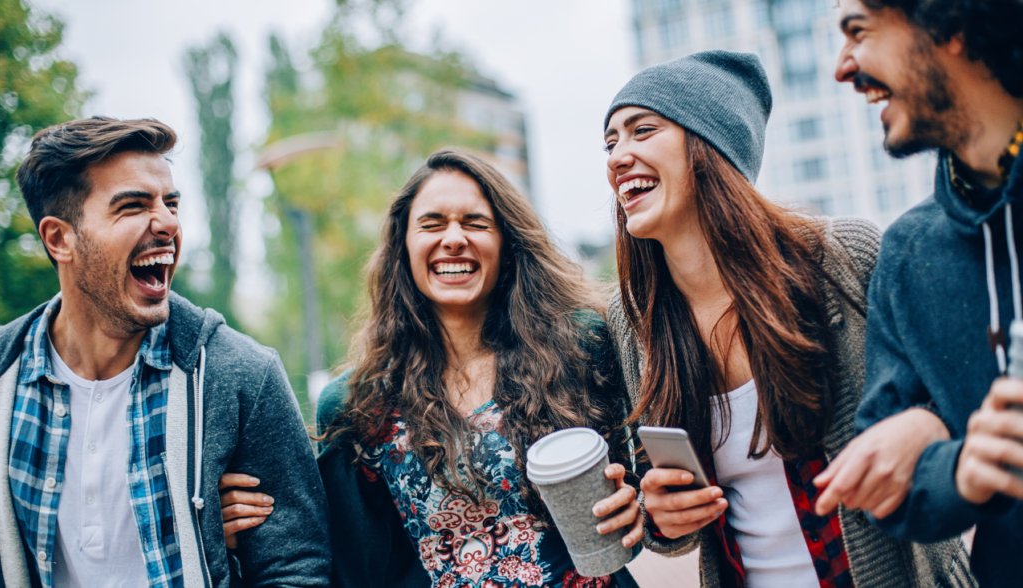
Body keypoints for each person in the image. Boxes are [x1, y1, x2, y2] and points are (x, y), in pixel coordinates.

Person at [602, 51, 973, 587]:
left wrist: (928, 427)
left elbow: (952, 398)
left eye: (642, 131)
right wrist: (662, 516)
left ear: (710, 146)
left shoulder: (843, 257)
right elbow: (671, 514)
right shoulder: (633, 315)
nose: (618, 156)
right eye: (610, 142)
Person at [223, 148, 643, 587]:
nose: (454, 238)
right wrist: (234, 533)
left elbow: (648, 479)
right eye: (432, 224)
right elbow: (338, 563)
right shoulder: (359, 406)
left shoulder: (579, 347)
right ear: (403, 247)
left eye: (476, 223)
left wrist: (640, 507)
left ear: (507, 242)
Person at [0, 117, 330, 587]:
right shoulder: (4, 378)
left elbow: (297, 567)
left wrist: (204, 534)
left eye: (171, 203)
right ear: (59, 239)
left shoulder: (241, 376)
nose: (168, 223)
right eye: (133, 207)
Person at [814, 0, 1023, 585]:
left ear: (950, 22)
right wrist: (957, 466)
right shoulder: (908, 253)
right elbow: (890, 483)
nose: (842, 67)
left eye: (858, 31)